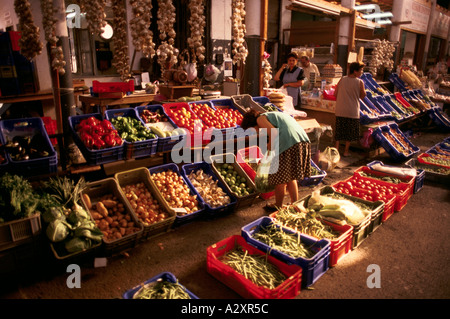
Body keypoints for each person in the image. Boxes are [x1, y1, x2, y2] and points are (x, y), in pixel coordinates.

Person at [240, 110, 311, 211]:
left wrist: (269, 146)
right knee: (291, 176)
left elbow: (274, 132)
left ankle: (278, 205)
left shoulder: (260, 119)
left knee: (279, 178)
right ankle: (295, 204)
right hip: (300, 141)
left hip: (289, 142)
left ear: (251, 124)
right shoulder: (271, 116)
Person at [333, 61, 366, 157]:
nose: (361, 72)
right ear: (355, 71)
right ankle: (346, 151)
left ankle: (336, 151)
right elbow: (363, 96)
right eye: (361, 70)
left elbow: (335, 94)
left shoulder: (342, 79)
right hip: (352, 111)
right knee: (349, 133)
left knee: (339, 132)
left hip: (340, 110)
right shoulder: (360, 82)